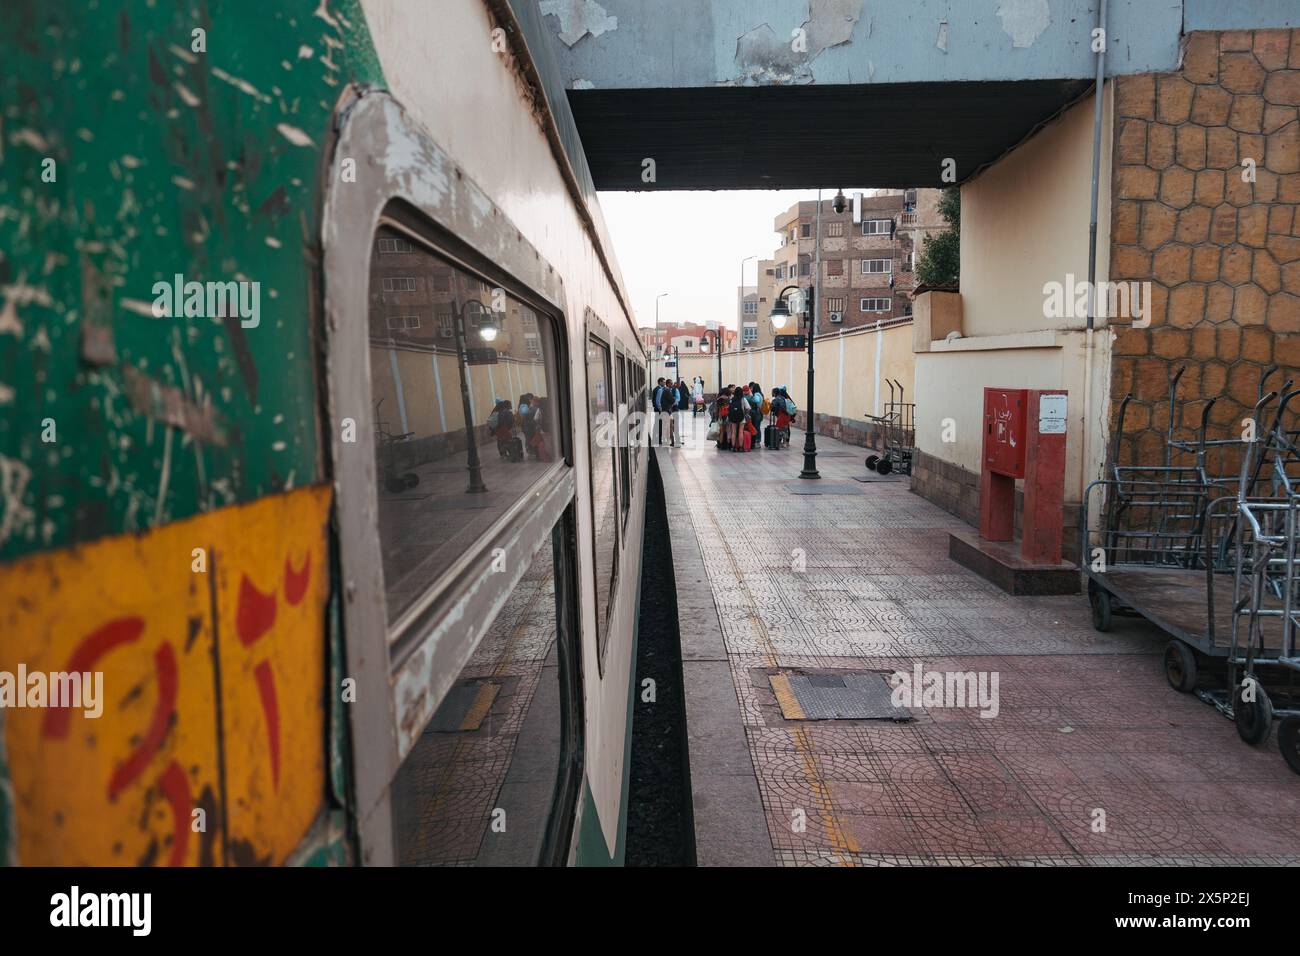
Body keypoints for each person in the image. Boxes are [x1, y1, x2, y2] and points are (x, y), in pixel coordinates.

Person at [727, 384, 749, 452]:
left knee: (734, 431)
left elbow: (729, 408)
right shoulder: (743, 399)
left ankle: (733, 447)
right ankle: (740, 447)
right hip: (741, 417)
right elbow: (748, 408)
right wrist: (745, 412)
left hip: (733, 417)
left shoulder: (732, 399)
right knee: (740, 432)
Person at [652, 377, 667, 445]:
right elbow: (657, 401)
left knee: (657, 424)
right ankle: (659, 440)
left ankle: (655, 438)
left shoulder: (657, 389)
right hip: (659, 410)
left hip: (657, 410)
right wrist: (660, 409)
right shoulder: (658, 390)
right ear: (660, 382)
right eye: (663, 382)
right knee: (660, 425)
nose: (664, 383)